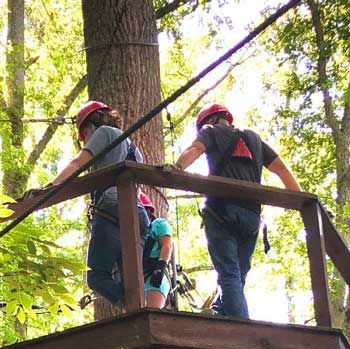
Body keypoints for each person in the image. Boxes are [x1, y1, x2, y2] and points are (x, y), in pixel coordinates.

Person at [173, 103, 301, 321]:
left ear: (210, 121)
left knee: (229, 274)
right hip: (251, 219)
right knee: (237, 276)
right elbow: (281, 169)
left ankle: (242, 328)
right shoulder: (255, 140)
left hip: (222, 213)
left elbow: (194, 150)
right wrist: (300, 200)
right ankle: (223, 311)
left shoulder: (210, 132)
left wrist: (176, 168)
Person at [44, 101, 151, 308]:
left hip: (112, 210)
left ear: (90, 126)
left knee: (96, 277)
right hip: (139, 216)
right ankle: (138, 310)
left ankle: (134, 309)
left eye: (85, 134)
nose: (86, 140)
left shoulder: (103, 133)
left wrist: (50, 189)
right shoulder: (135, 149)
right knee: (131, 283)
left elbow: (78, 164)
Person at [139, 192, 174, 310]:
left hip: (155, 277)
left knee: (151, 315)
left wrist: (160, 268)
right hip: (140, 280)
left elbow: (167, 245)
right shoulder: (134, 234)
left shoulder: (157, 224)